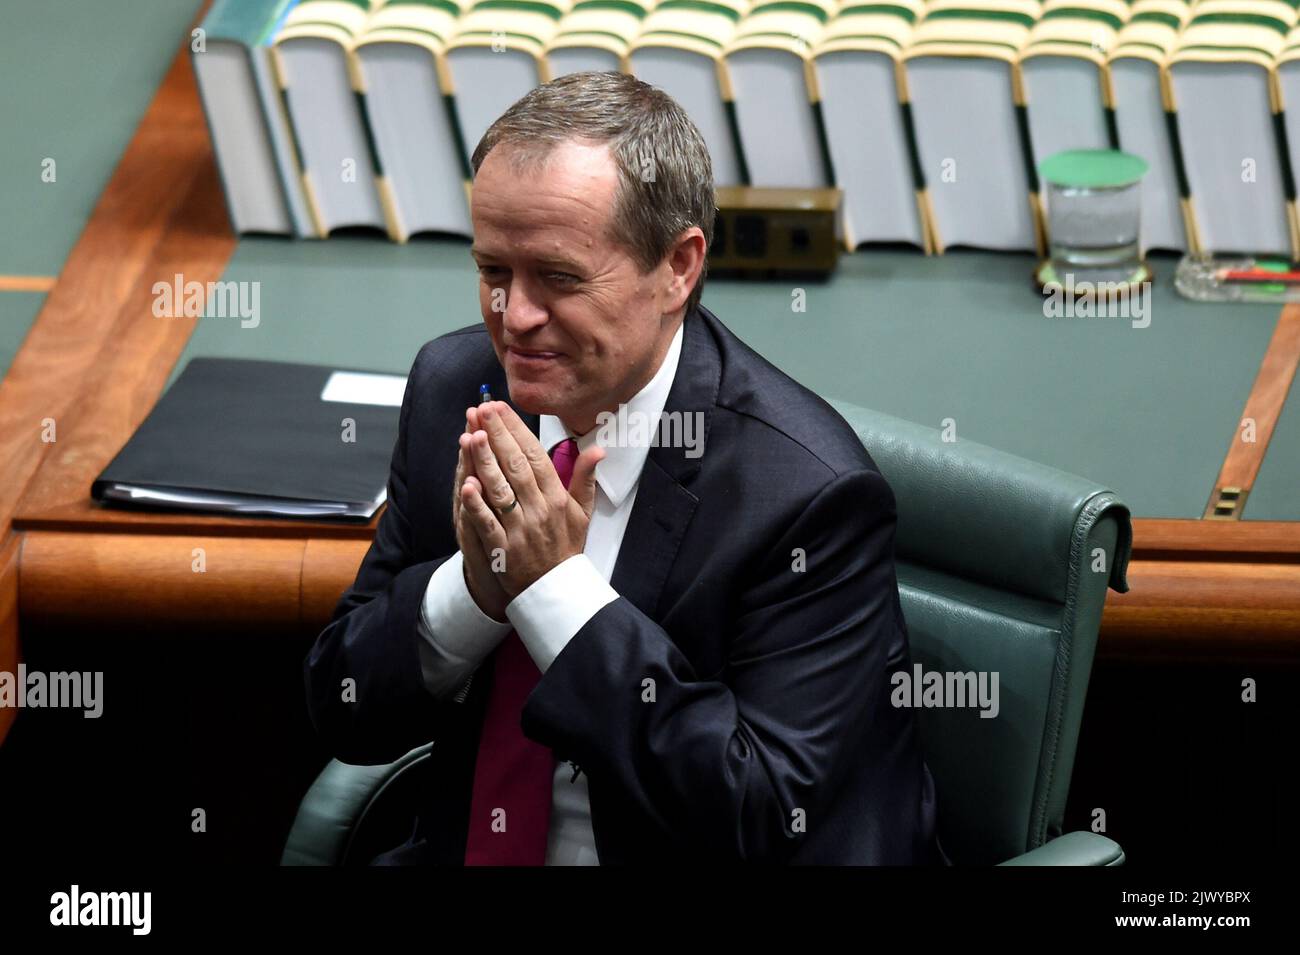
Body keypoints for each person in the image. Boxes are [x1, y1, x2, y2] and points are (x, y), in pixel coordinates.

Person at [303, 70, 944, 865]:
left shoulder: (805, 497)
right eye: (493, 271)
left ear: (678, 267)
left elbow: (766, 820)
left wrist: (555, 592)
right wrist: (474, 590)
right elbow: (342, 704)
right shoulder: (454, 393)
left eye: (559, 278)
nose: (515, 317)